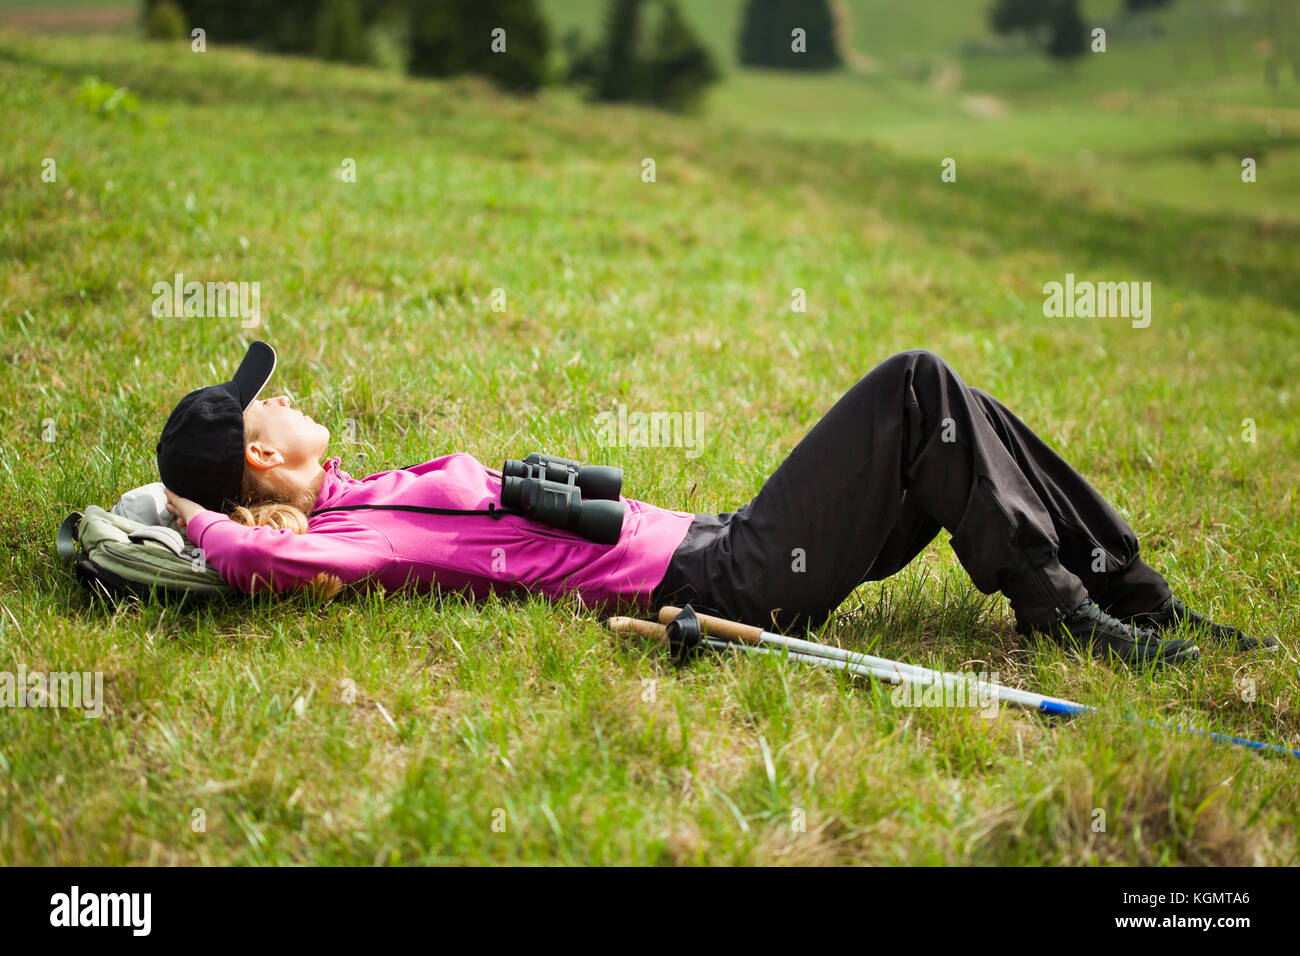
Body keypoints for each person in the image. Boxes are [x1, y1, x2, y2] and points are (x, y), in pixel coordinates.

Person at [159, 342, 1272, 667]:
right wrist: (177, 505)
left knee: (950, 409)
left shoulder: (363, 490)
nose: (293, 396)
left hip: (724, 543)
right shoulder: (360, 532)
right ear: (261, 454)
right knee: (915, 382)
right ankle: (1064, 615)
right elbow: (277, 567)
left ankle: (1126, 594)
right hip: (730, 582)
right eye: (276, 403)